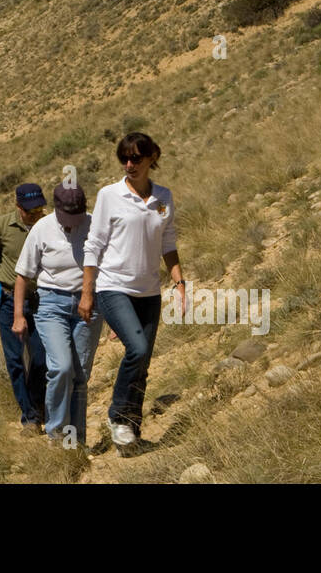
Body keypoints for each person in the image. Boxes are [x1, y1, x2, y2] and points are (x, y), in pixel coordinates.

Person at [81, 132, 184, 453]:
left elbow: (168, 244)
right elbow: (93, 245)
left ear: (152, 158)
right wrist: (87, 292)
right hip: (113, 287)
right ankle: (117, 417)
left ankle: (131, 430)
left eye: (136, 158)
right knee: (137, 349)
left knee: (144, 362)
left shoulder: (163, 198)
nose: (129, 164)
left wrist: (180, 282)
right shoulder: (109, 195)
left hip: (149, 291)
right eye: (124, 158)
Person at [13, 183, 101, 448]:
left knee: (80, 375)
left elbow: (109, 269)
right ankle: (56, 434)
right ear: (57, 210)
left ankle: (76, 442)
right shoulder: (42, 229)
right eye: (68, 218)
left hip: (90, 305)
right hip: (52, 304)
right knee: (61, 367)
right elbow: (22, 275)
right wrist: (19, 315)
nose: (73, 223)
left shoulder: (94, 224)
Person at [0, 183, 49, 433]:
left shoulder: (48, 224)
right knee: (15, 361)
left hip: (41, 299)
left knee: (42, 358)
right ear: (18, 206)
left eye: (39, 209)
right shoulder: (1, 227)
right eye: (30, 211)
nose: (36, 215)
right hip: (8, 301)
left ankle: (39, 403)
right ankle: (30, 417)